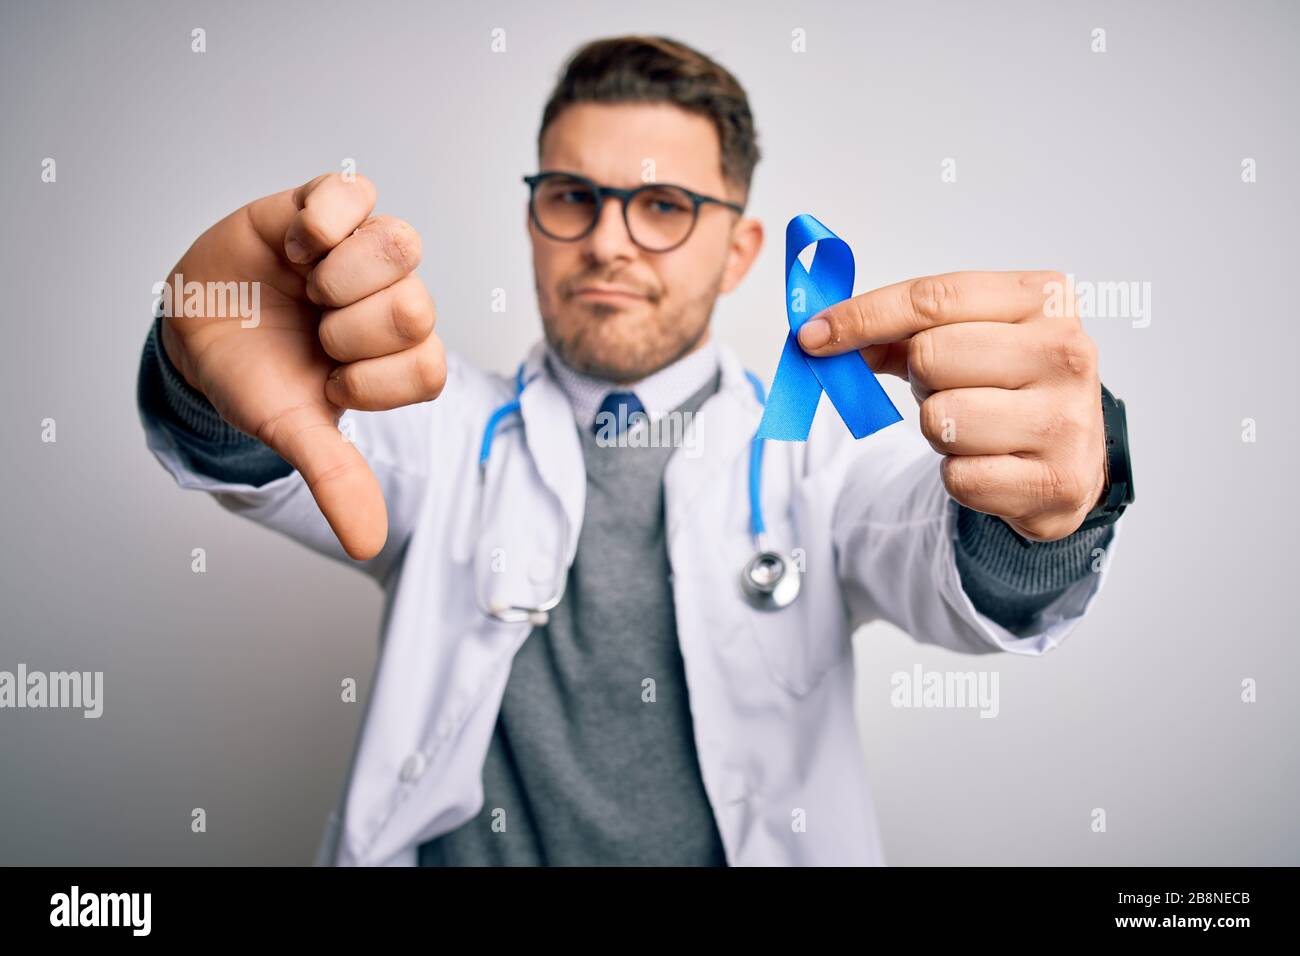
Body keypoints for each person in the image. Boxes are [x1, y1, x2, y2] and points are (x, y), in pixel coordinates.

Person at [136, 35, 1130, 866]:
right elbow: (265, 448)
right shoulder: (442, 426)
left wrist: (1041, 503)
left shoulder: (818, 455)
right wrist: (204, 366)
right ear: (534, 217)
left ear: (739, 250)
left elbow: (955, 558)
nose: (608, 241)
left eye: (662, 207)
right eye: (572, 195)